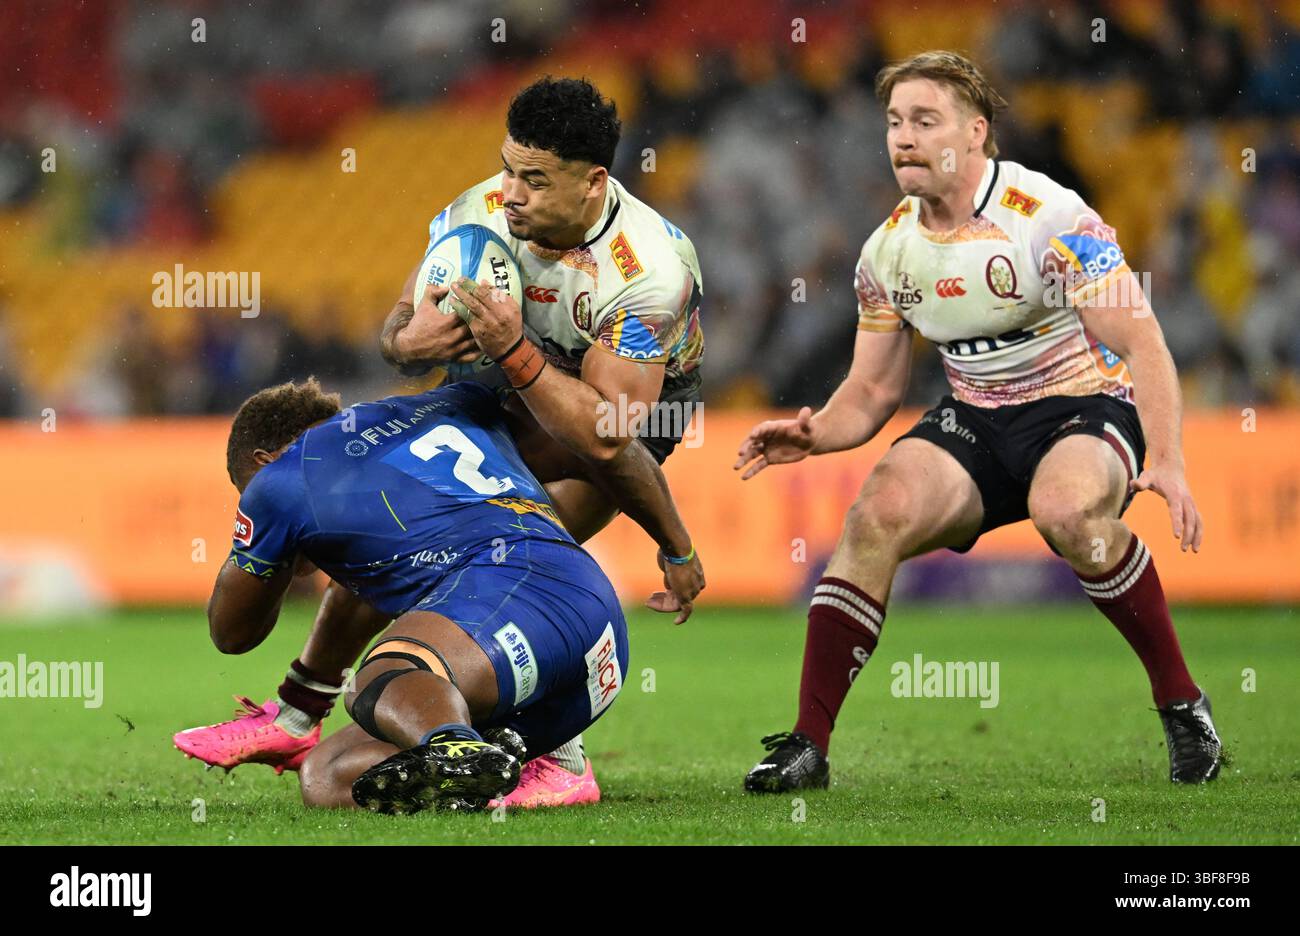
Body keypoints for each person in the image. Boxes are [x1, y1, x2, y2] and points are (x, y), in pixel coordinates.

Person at [177, 75, 707, 806]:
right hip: (501, 372)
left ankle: (562, 754)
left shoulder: (648, 272)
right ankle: (300, 713)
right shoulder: (477, 209)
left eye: (533, 179)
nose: (510, 193)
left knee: (525, 544)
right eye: (507, 167)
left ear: (593, 183)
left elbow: (605, 435)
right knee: (393, 534)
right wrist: (413, 341)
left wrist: (673, 544)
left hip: (618, 406)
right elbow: (397, 333)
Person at [737, 51, 1222, 792]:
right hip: (977, 417)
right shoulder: (888, 252)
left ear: (975, 132)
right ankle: (807, 745)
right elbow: (871, 393)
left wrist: (1170, 458)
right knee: (875, 515)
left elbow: (1143, 340)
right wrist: (813, 433)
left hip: (1086, 404)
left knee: (1065, 513)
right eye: (895, 122)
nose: (903, 137)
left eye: (924, 121)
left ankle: (1182, 702)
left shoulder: (1051, 217)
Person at [187, 377, 686, 812]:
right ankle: (515, 764)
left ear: (263, 460)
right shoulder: (448, 404)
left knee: (382, 677)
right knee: (329, 775)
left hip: (523, 590)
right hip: (586, 656)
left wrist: (265, 543)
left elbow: (231, 632)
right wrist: (678, 548)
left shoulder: (280, 480)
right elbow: (598, 445)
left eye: (243, 487)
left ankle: (455, 749)